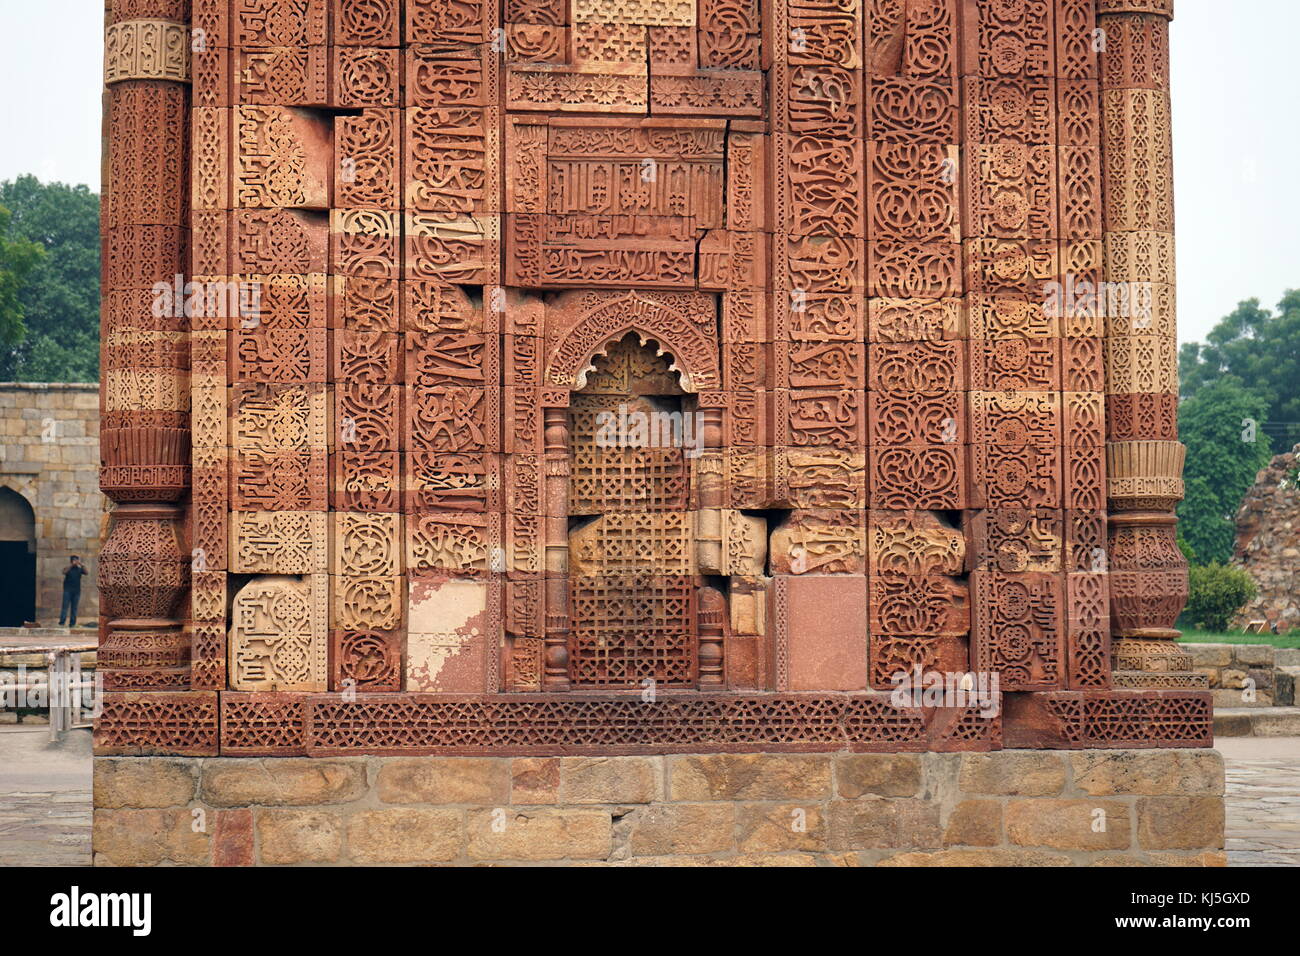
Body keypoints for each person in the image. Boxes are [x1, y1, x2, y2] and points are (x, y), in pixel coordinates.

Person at [59, 556, 88, 628]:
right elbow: (64, 572)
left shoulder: (79, 569)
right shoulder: (68, 568)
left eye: (77, 560)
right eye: (74, 560)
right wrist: (71, 565)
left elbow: (86, 572)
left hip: (76, 591)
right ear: (71, 561)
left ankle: (72, 623)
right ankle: (62, 622)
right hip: (67, 591)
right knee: (65, 607)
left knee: (74, 608)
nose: (76, 562)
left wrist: (81, 564)